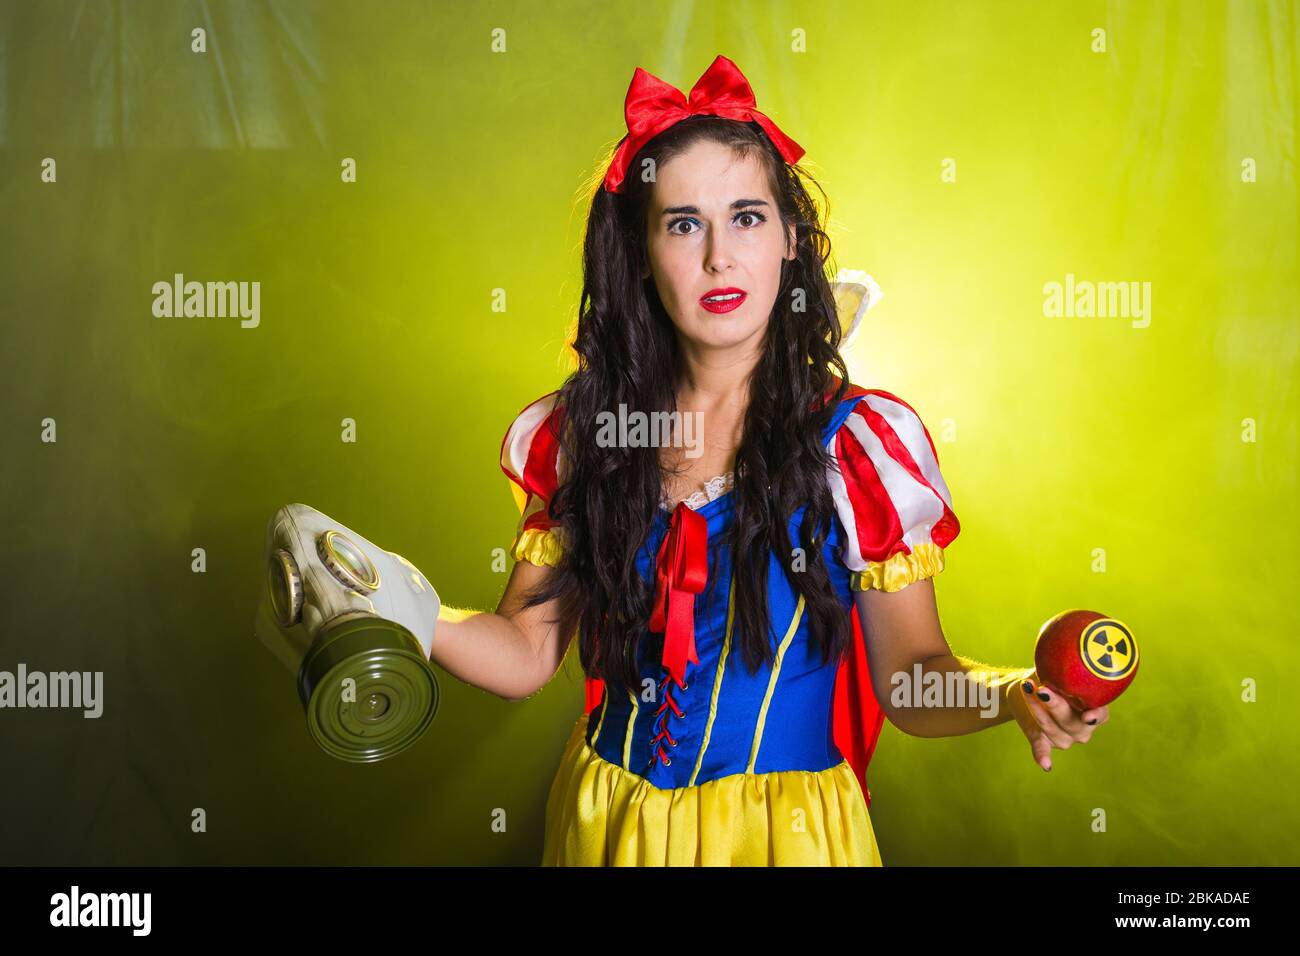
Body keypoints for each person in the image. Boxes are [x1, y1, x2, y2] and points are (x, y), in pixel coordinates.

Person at [431, 55, 1111, 866]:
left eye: (746, 217)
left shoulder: (854, 444)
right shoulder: (589, 438)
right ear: (640, 252)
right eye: (683, 223)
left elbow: (909, 681)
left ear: (792, 239)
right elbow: (524, 654)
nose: (720, 256)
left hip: (781, 837)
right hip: (605, 824)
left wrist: (1011, 695)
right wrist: (396, 599)